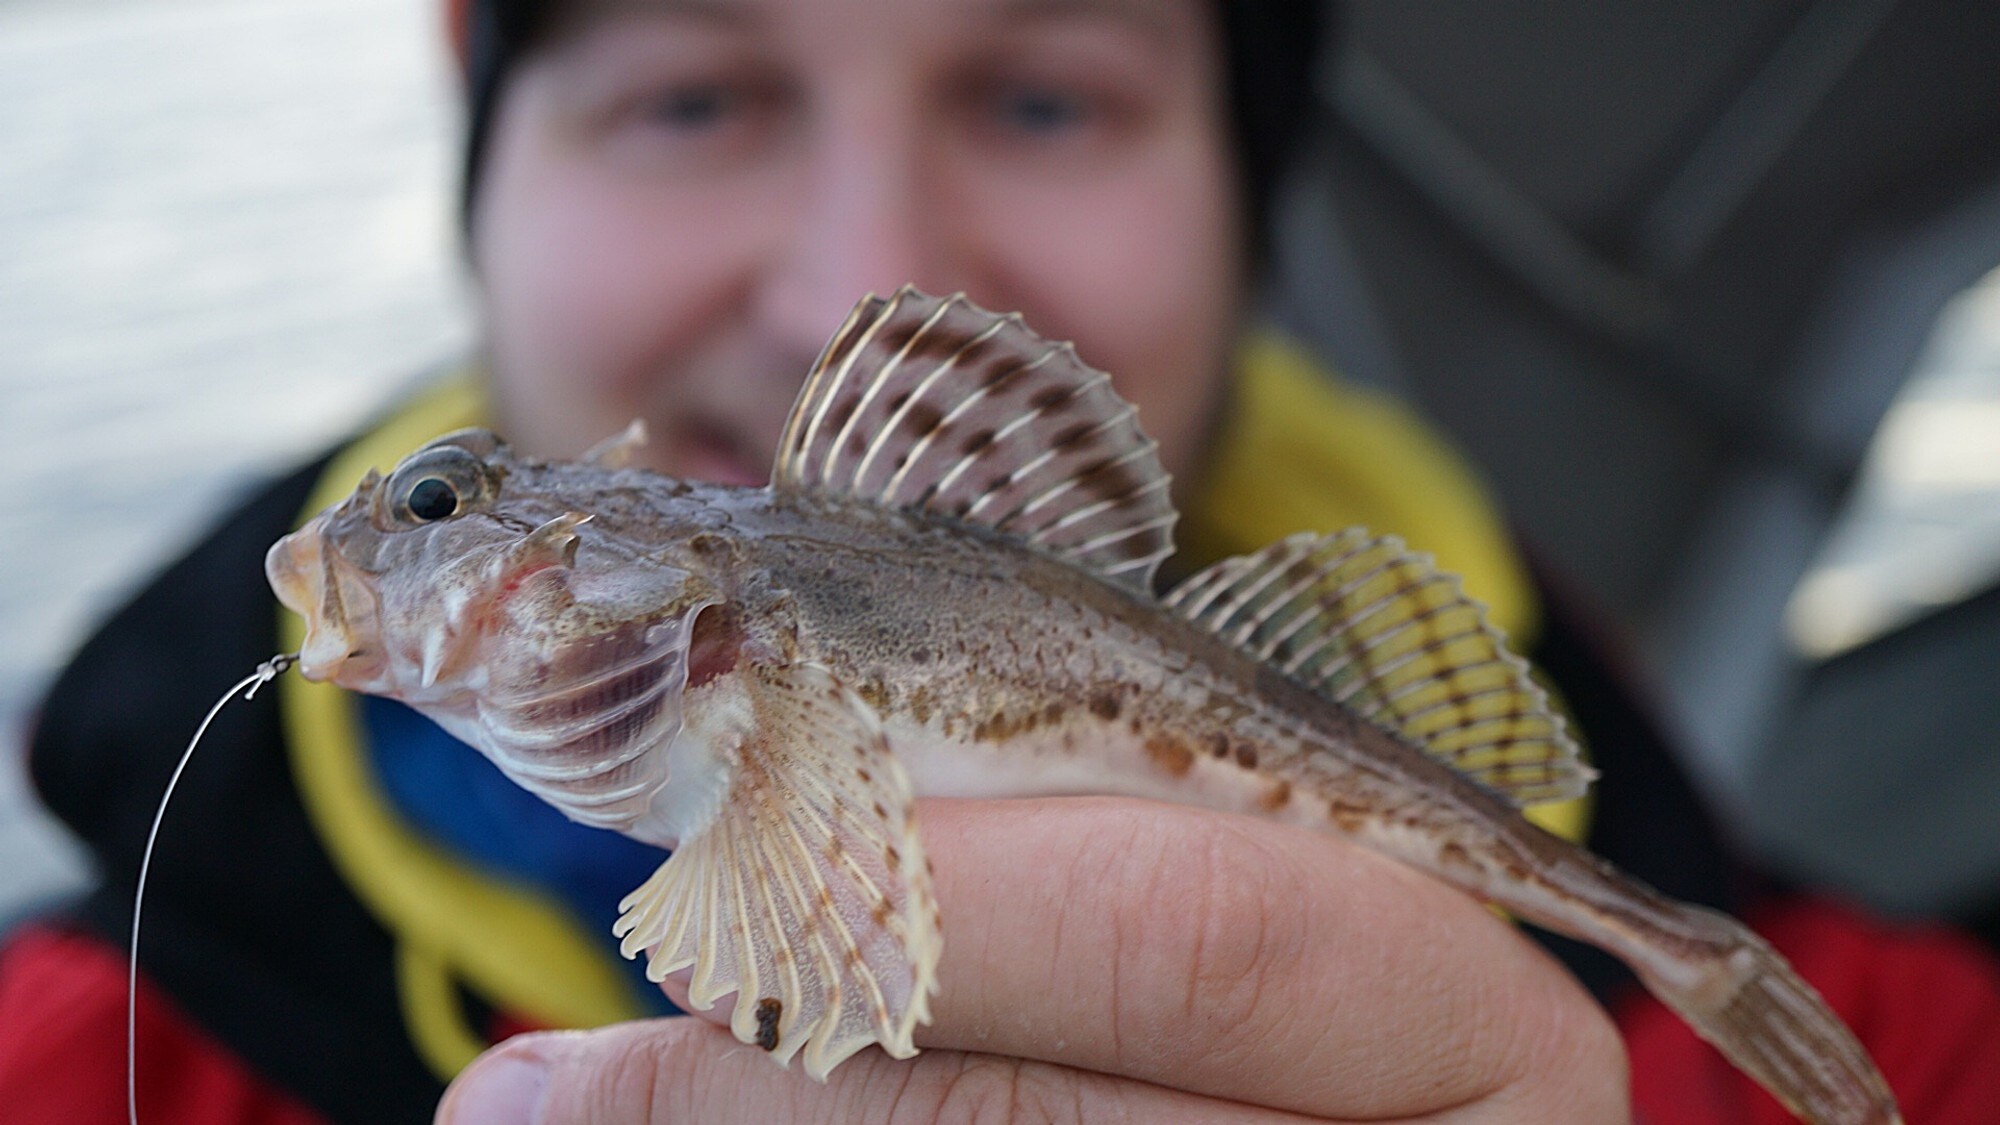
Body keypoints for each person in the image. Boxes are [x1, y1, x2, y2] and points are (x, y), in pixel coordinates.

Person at [4, 1, 1998, 1122]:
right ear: (478, 116)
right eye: (692, 94)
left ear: (1246, 167)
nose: (855, 276)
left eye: (1047, 96)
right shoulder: (74, 1065)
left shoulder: (1924, 1038)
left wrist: (1644, 942)